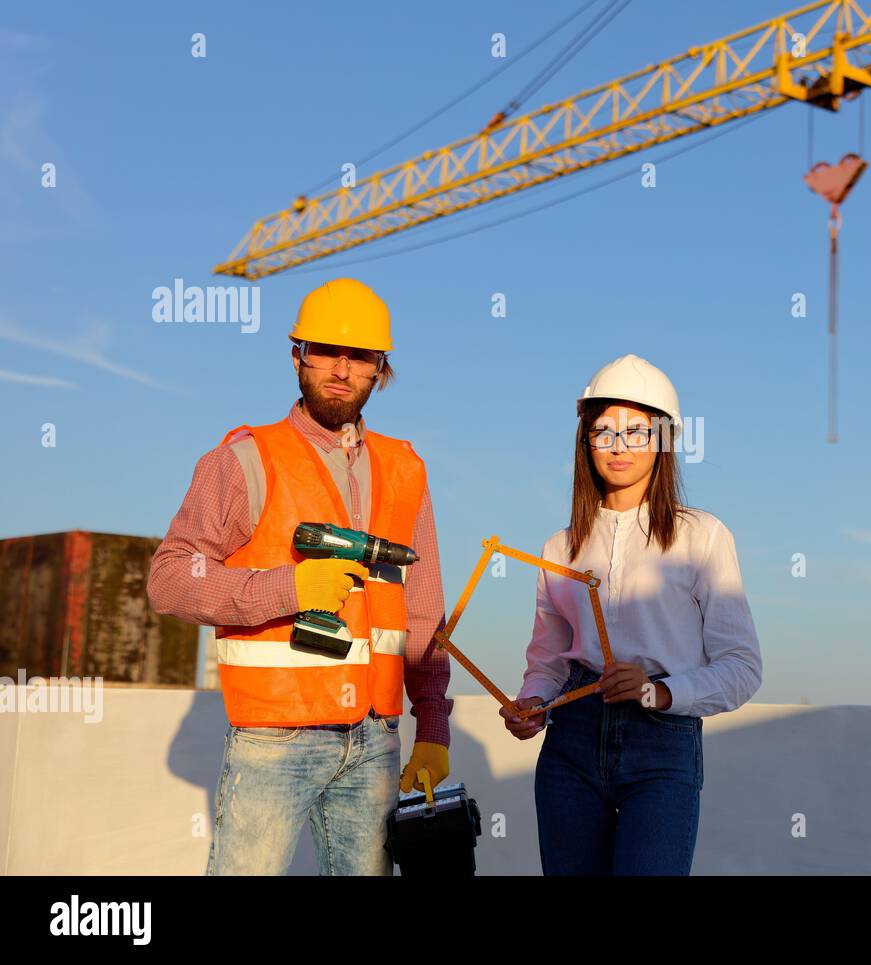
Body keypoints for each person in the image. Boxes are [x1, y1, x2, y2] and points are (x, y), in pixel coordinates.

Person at [148, 277, 454, 875]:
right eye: (324, 351)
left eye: (359, 355)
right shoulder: (242, 461)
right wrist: (287, 589)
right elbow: (169, 579)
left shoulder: (406, 469)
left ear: (380, 371)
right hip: (273, 740)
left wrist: (433, 728)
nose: (340, 368)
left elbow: (422, 612)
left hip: (374, 739)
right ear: (297, 358)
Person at [499, 353, 762, 875]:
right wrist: (533, 701)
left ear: (663, 440)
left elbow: (742, 668)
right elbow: (549, 662)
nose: (618, 446)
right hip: (570, 741)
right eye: (603, 431)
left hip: (661, 744)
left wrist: (659, 692)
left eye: (636, 431)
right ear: (585, 441)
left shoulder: (702, 537)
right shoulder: (558, 547)